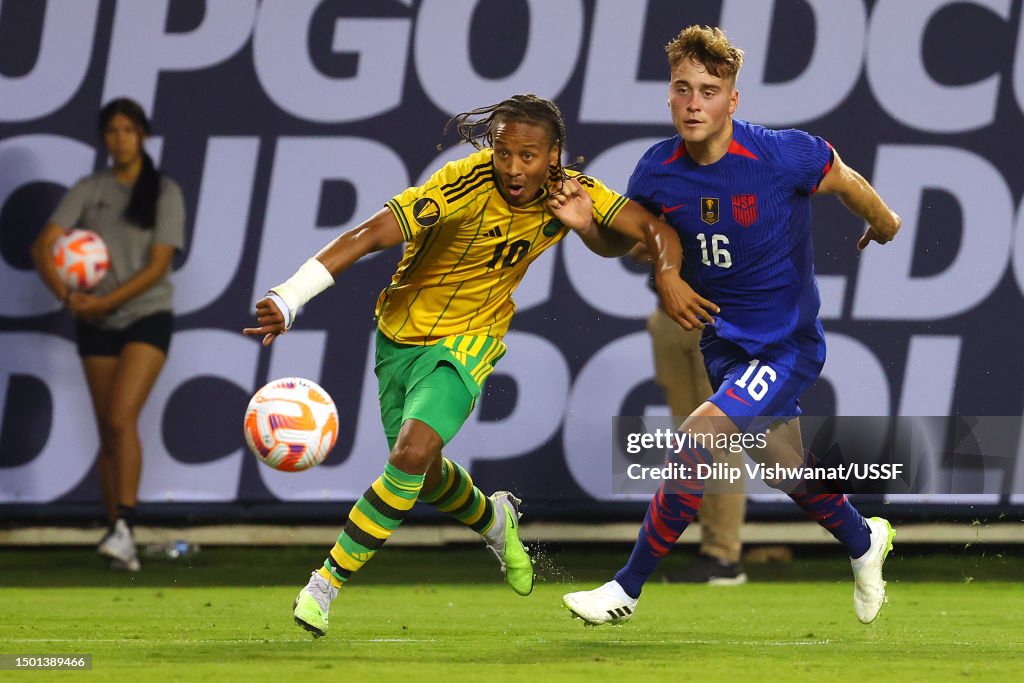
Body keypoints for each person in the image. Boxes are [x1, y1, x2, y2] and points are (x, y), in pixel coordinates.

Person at [243, 94, 705, 639]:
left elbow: (651, 232)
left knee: (410, 453)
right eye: (504, 153)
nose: (514, 167)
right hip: (398, 338)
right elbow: (368, 236)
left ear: (554, 154)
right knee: (424, 473)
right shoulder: (460, 186)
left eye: (528, 156)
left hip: (471, 341)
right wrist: (291, 297)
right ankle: (493, 518)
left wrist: (661, 267)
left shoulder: (570, 190)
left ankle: (325, 583)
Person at [563, 25, 902, 626]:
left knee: (697, 439)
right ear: (669, 96)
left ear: (733, 100)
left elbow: (845, 180)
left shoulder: (780, 155)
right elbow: (627, 246)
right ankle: (862, 539)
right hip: (723, 343)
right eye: (682, 88)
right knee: (784, 471)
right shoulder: (657, 170)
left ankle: (626, 589)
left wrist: (887, 221)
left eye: (709, 90)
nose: (694, 102)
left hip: (785, 345)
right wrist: (588, 227)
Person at [31, 98, 186, 572]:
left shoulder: (163, 191)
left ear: (143, 135)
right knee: (107, 430)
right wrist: (68, 296)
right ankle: (117, 532)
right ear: (104, 138)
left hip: (146, 315)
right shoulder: (90, 188)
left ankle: (125, 527)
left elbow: (160, 263)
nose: (120, 139)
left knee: (122, 418)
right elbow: (44, 244)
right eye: (112, 131)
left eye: (128, 130)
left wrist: (104, 302)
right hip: (94, 321)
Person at [629, 241, 747, 585]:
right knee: (690, 440)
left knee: (720, 438)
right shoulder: (660, 187)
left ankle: (724, 554)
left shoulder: (732, 189)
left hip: (719, 316)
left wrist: (671, 239)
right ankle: (710, 548)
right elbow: (635, 244)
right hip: (669, 314)